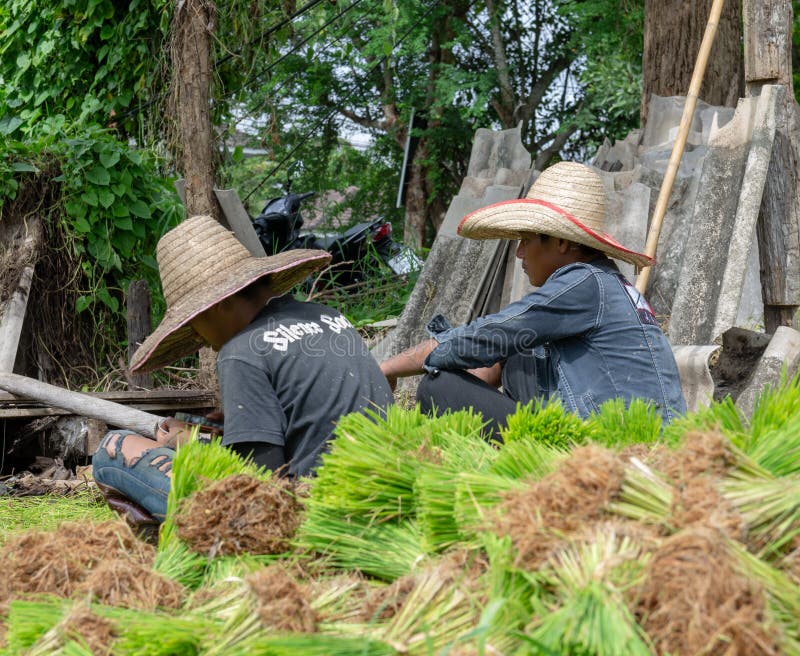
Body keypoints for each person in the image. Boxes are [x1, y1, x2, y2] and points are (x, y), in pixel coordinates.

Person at [93, 215, 393, 521]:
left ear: (217, 305)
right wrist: (230, 425)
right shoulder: (326, 315)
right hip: (380, 492)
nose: (197, 335)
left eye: (193, 321)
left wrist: (190, 444)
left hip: (307, 510)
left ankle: (195, 543)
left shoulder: (241, 351)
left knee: (114, 448)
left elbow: (258, 480)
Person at [380, 161, 686, 438]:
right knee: (519, 349)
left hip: (614, 445)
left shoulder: (584, 282)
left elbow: (484, 337)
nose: (520, 253)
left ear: (562, 242)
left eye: (526, 240)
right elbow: (503, 342)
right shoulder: (603, 283)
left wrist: (388, 369)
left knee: (440, 388)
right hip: (624, 432)